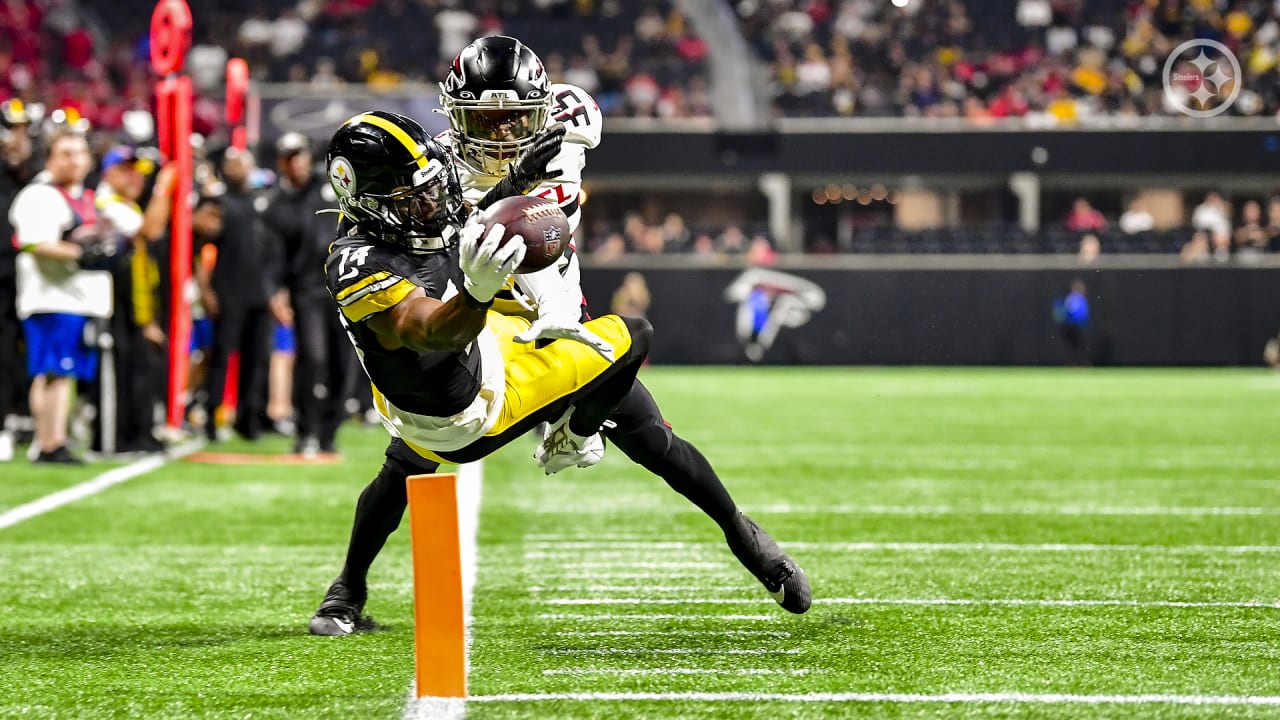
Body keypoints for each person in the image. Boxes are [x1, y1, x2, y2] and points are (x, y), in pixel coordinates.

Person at [308, 43, 810, 635]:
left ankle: (742, 533)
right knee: (413, 458)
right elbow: (441, 269)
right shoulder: (421, 178)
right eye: (484, 121)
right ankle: (347, 589)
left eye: (515, 119)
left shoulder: (541, 147)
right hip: (475, 321)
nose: (500, 135)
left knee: (648, 431)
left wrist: (524, 192)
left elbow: (521, 236)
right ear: (454, 113)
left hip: (538, 310)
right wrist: (500, 224)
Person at [9, 129, 114, 463]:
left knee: (62, 374)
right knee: (53, 371)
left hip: (74, 296)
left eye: (80, 153)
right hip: (50, 296)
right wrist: (81, 253)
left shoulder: (82, 194)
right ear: (50, 157)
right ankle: (48, 443)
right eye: (66, 153)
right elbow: (34, 243)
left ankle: (55, 438)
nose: (75, 160)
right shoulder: (39, 195)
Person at [259, 132, 353, 455]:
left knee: (346, 363)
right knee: (313, 359)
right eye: (288, 156)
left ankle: (330, 431)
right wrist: (275, 293)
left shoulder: (333, 188)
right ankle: (307, 431)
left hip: (344, 288)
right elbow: (272, 256)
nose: (295, 162)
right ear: (281, 162)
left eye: (298, 155)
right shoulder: (276, 204)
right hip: (307, 290)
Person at [195, 147, 277, 441]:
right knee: (221, 357)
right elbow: (202, 247)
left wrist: (274, 292)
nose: (238, 168)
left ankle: (249, 420)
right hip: (228, 291)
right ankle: (211, 417)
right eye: (232, 164)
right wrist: (205, 290)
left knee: (256, 360)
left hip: (259, 293)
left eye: (242, 163)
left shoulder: (262, 203)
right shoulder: (218, 203)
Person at [0, 99, 37, 461]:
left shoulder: (29, 170)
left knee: (25, 349)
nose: (16, 139)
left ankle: (23, 417)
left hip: (23, 275)